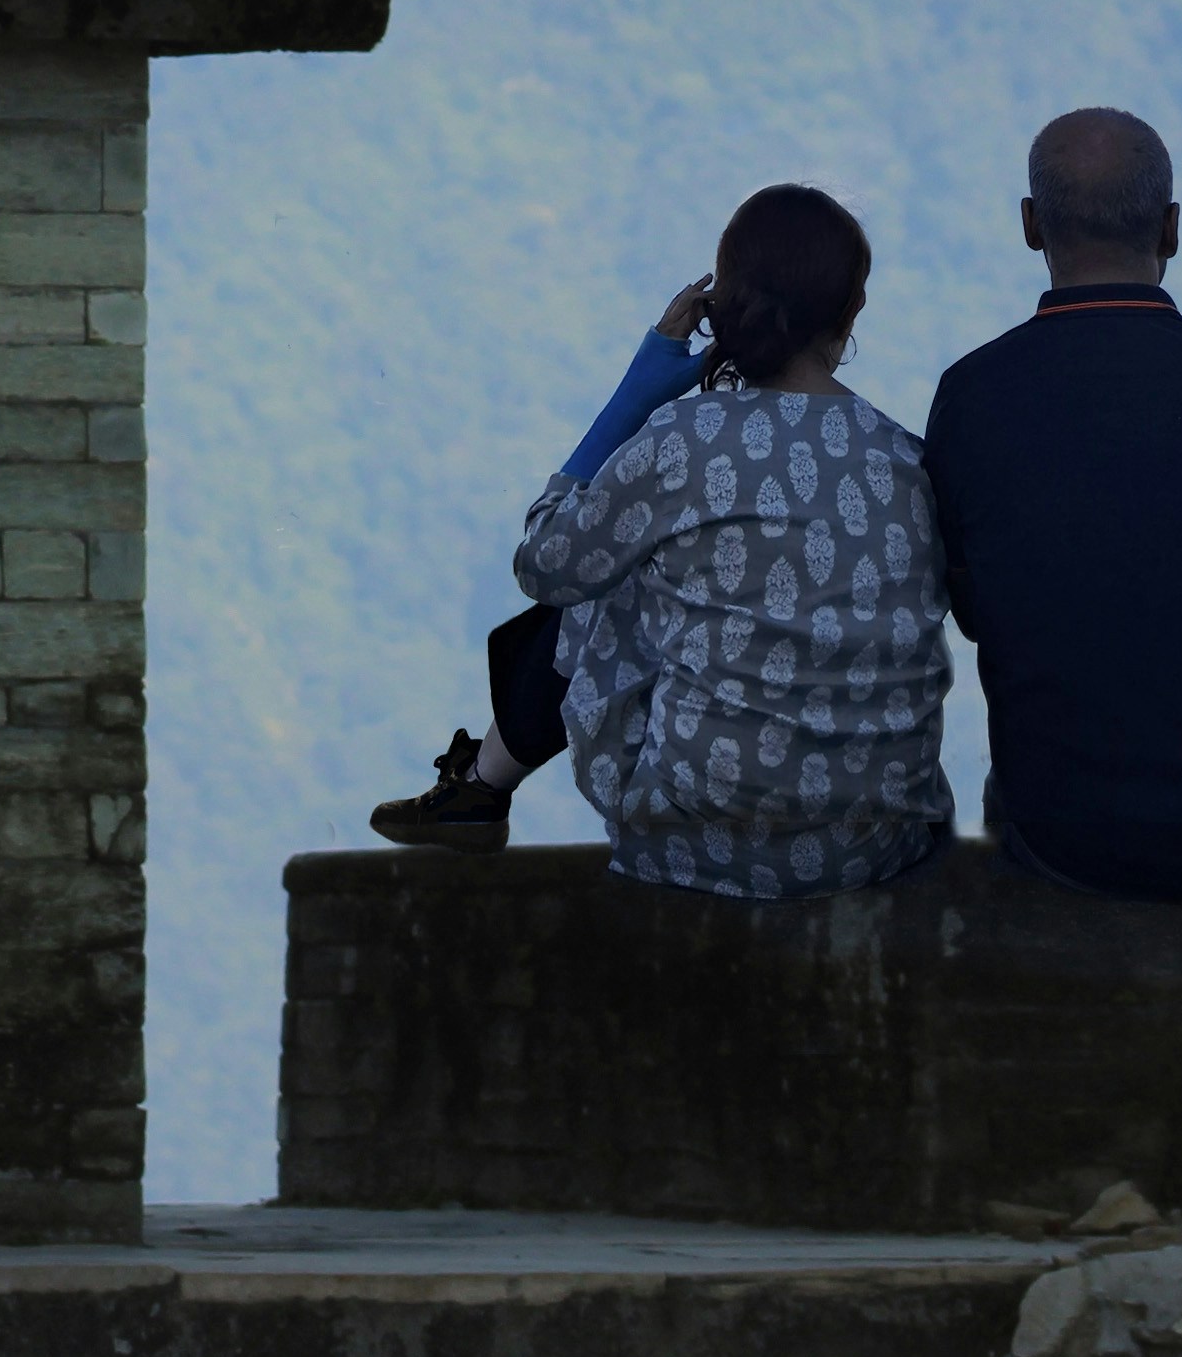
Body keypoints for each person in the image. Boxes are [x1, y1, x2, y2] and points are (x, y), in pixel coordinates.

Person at [366, 183, 954, 897]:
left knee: (611, 568)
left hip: (705, 841)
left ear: (722, 304)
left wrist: (636, 394)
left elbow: (547, 564)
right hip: (879, 842)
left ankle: (479, 789)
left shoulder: (684, 443)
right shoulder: (908, 459)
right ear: (852, 310)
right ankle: (478, 793)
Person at [920, 105, 1182, 903]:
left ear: (1031, 226)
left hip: (1064, 842)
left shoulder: (972, 397)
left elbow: (979, 609)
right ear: (1172, 228)